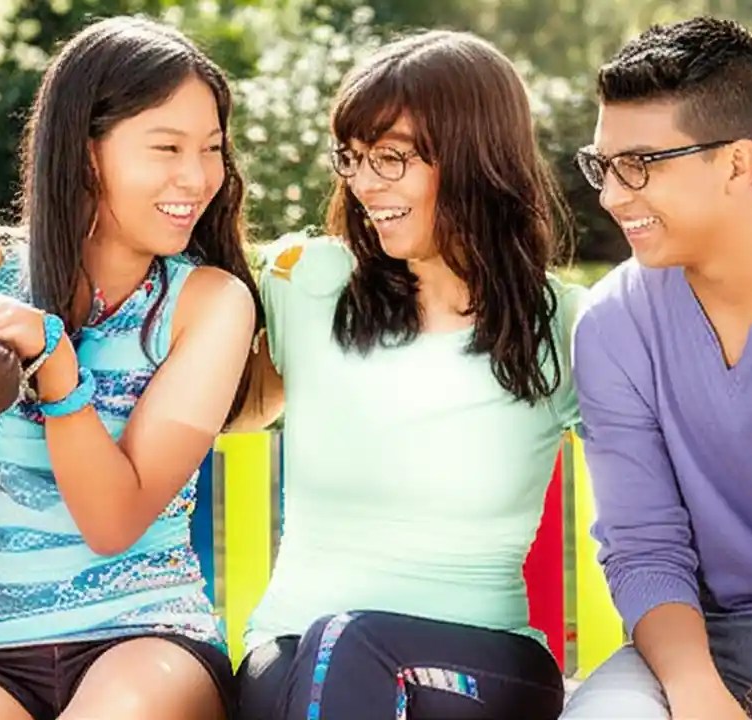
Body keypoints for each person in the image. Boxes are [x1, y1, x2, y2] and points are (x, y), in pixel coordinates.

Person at [0, 16, 261, 720]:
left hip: (146, 637)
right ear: (85, 151)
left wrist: (58, 367)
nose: (197, 178)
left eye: (212, 149)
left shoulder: (206, 304)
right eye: (166, 148)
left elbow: (114, 520)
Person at [232, 30, 583, 720]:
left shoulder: (565, 326)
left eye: (390, 159)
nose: (363, 184)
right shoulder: (309, 282)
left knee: (351, 643)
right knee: (329, 656)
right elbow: (220, 385)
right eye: (353, 159)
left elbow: (665, 479)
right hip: (292, 653)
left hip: (482, 668)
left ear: (475, 156)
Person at [562, 16, 752, 720]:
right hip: (701, 648)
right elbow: (644, 548)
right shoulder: (614, 325)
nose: (612, 196)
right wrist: (697, 692)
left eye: (640, 164)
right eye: (604, 166)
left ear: (738, 164)